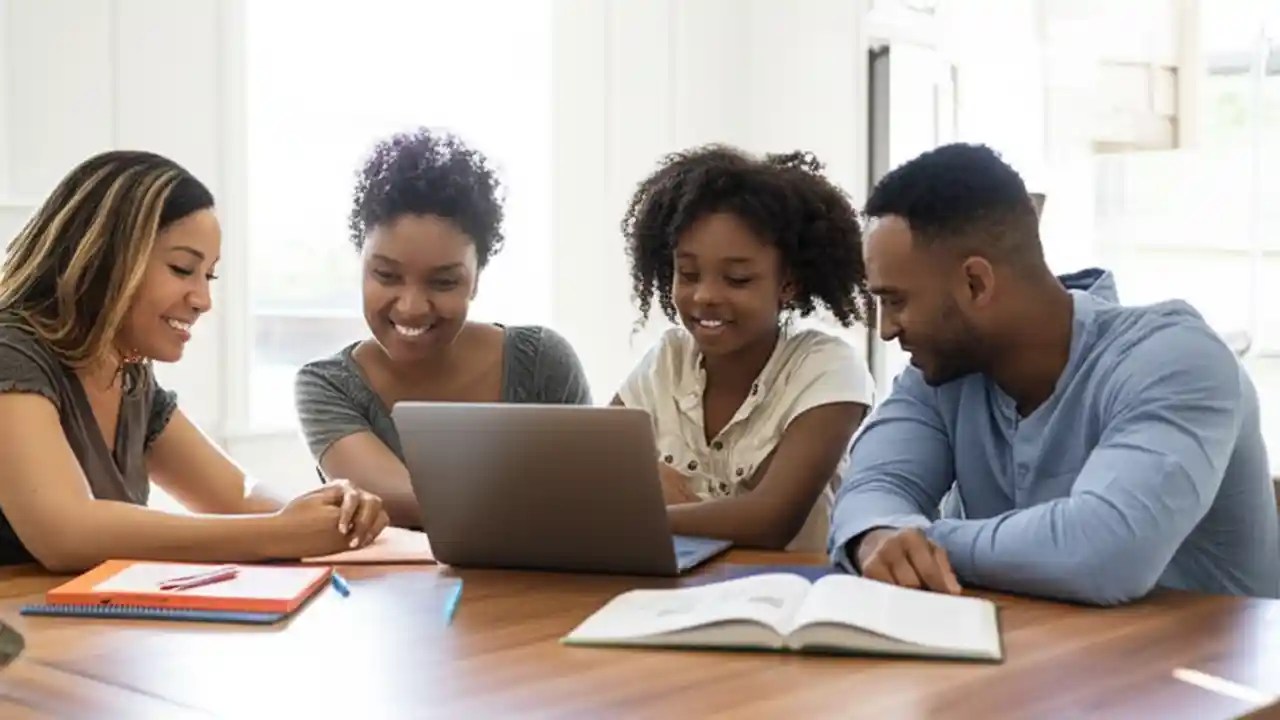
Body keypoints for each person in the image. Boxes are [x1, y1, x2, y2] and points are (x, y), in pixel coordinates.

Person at [829, 143, 1279, 605]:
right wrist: (876, 536)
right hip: (1039, 658)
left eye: (896, 301)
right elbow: (873, 491)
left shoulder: (1175, 360)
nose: (885, 330)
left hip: (1205, 670)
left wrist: (924, 542)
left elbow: (1103, 554)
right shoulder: (941, 371)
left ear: (975, 284)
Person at [0, 150, 388, 571]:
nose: (203, 301)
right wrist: (279, 532)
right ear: (106, 257)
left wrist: (334, 515)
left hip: (79, 633)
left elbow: (237, 495)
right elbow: (65, 533)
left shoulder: (129, 378)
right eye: (183, 268)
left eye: (209, 276)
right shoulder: (11, 352)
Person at [295, 128, 592, 527]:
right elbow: (404, 505)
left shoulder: (542, 361)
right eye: (386, 275)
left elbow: (588, 509)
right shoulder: (327, 386)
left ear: (477, 277)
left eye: (444, 282)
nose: (412, 307)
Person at [613, 145, 876, 552]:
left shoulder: (828, 369)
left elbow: (770, 521)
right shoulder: (667, 360)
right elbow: (595, 481)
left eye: (737, 279)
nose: (704, 296)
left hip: (788, 600)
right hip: (673, 596)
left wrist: (645, 511)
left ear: (788, 283)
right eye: (688, 273)